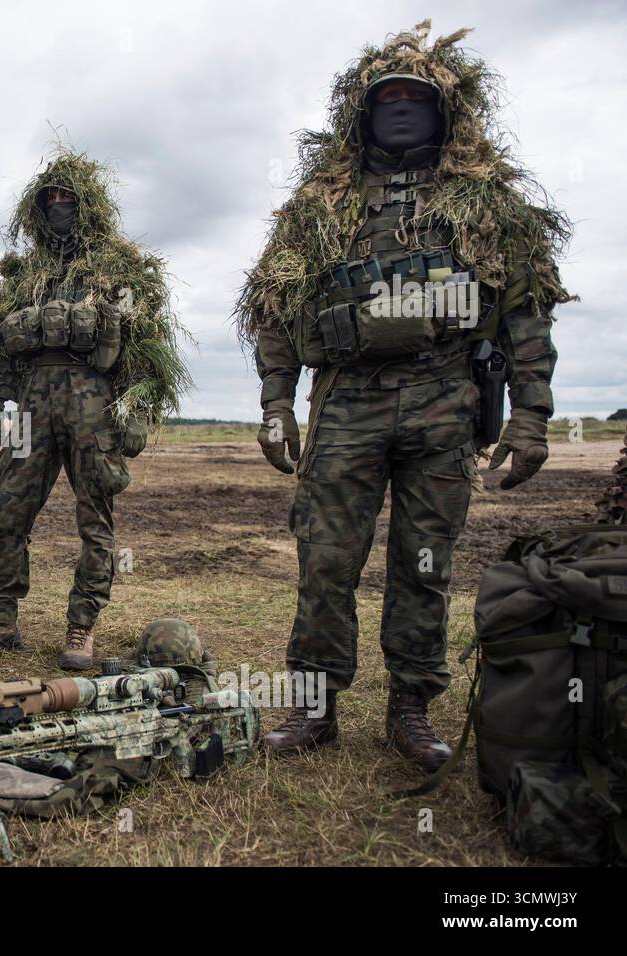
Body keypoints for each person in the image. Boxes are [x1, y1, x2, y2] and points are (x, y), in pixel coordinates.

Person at [236, 22, 570, 772]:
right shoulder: (320, 209)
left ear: (443, 110)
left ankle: (411, 708)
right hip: (347, 401)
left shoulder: (482, 205)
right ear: (361, 112)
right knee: (326, 560)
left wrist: (531, 418)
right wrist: (276, 404)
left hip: (442, 398)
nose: (397, 109)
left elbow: (524, 313)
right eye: (383, 98)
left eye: (413, 98)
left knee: (423, 561)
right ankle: (315, 707)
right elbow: (277, 311)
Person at [0, 148, 192, 670]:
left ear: (87, 205)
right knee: (8, 511)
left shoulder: (118, 266)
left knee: (95, 520)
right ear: (37, 209)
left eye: (67, 198)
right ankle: (1, 618)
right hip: (32, 402)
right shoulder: (23, 276)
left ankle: (82, 626)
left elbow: (147, 348)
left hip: (93, 401)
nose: (58, 205)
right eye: (50, 199)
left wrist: (135, 411)